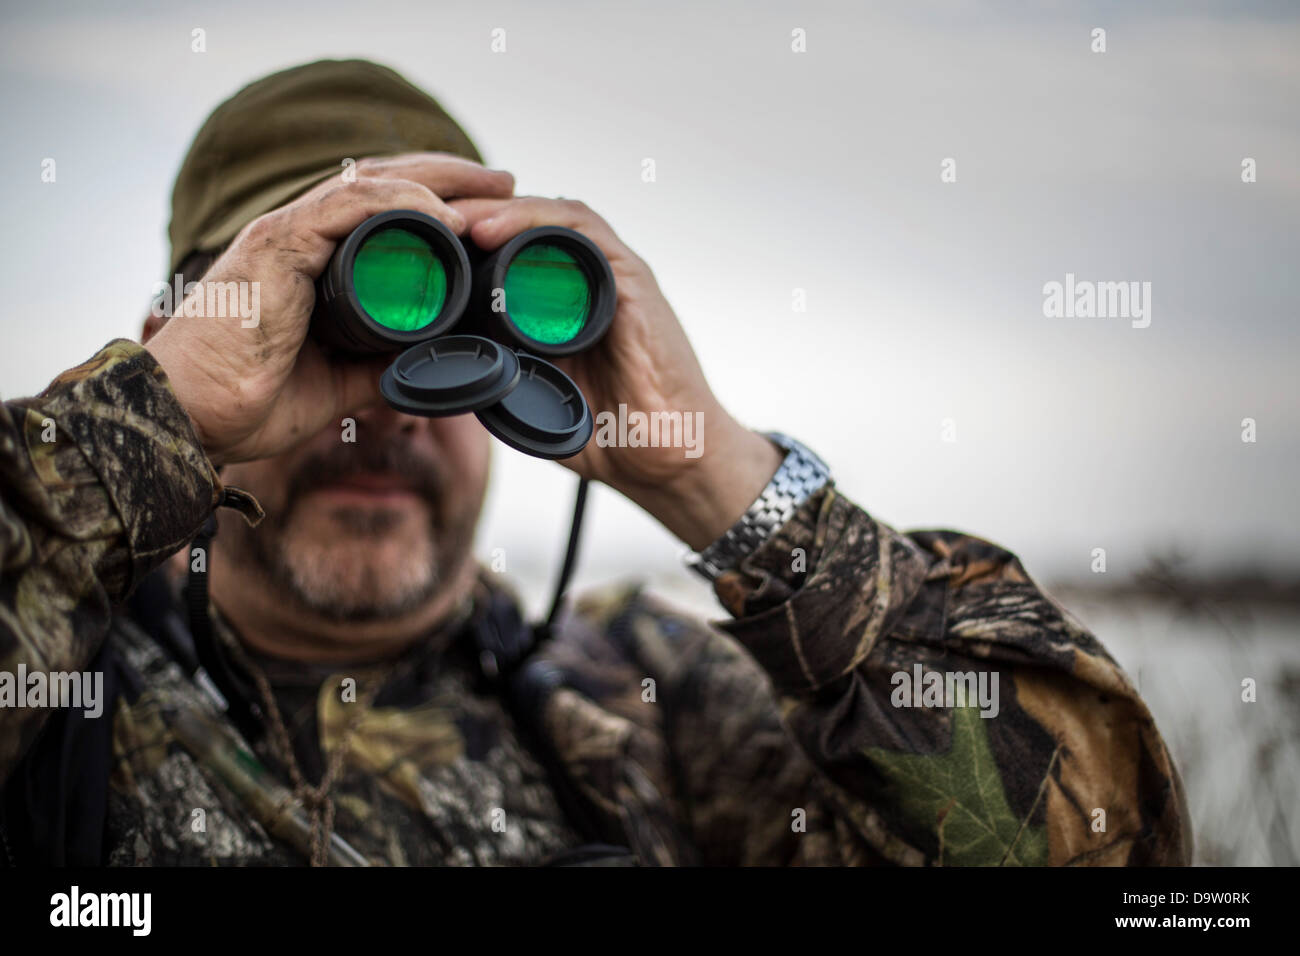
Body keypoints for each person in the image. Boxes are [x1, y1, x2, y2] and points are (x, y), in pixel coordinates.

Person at [0, 59, 1190, 866]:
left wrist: (712, 471)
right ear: (178, 344)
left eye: (455, 333)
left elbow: (1108, 854)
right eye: (312, 319)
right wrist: (132, 434)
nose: (389, 411)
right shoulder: (54, 692)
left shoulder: (648, 702)